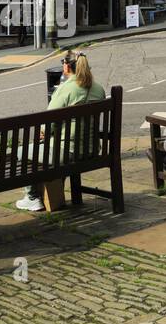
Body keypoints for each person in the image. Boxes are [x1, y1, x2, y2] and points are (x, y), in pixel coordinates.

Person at [16, 51, 106, 211]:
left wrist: (44, 131)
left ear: (66, 66)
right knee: (47, 149)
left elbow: (48, 122)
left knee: (22, 152)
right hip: (91, 150)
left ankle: (32, 197)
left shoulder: (65, 89)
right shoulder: (99, 89)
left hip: (67, 152)